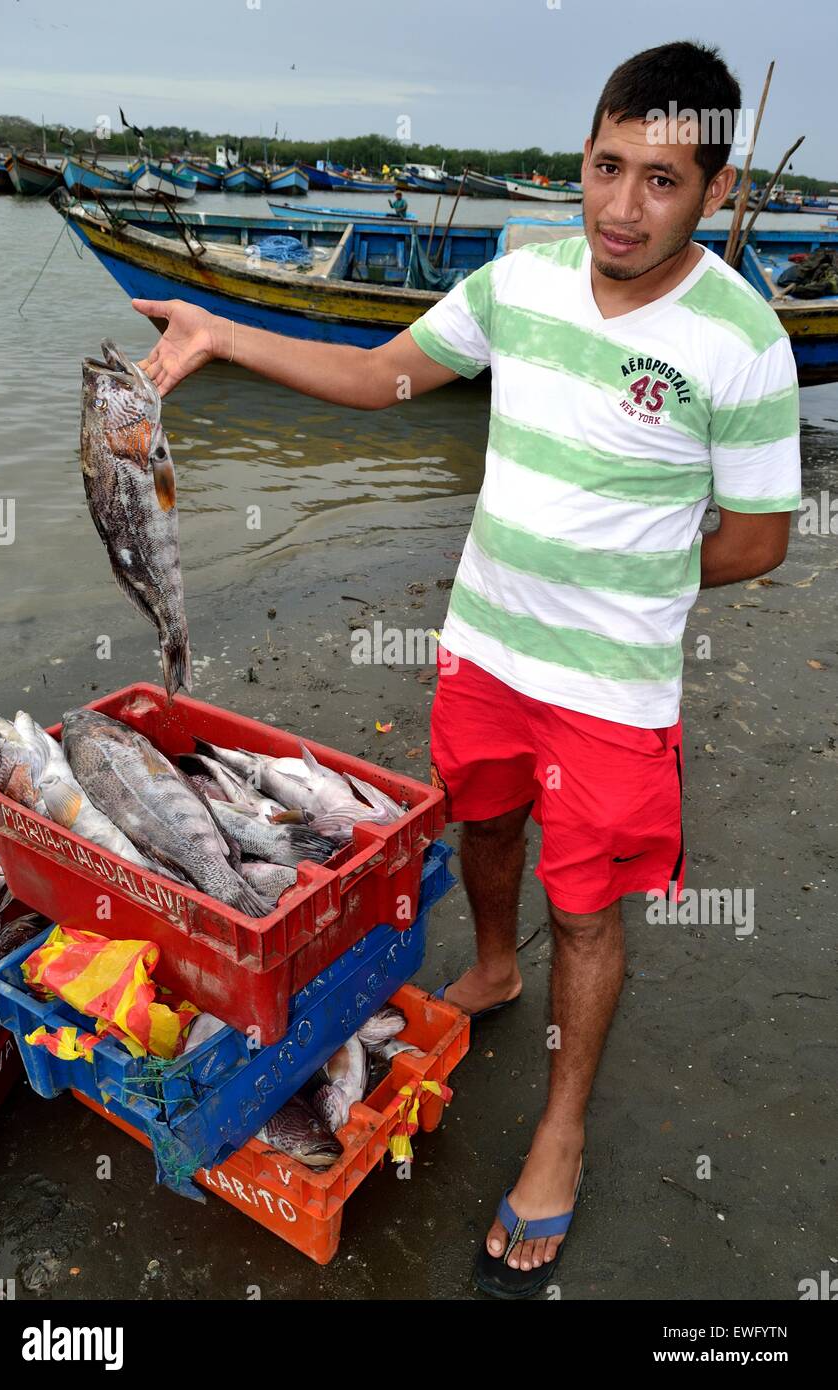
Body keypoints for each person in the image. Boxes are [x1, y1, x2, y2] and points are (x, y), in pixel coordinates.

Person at [132, 40, 801, 1299]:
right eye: (603, 167)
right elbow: (387, 378)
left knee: (590, 908)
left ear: (712, 191)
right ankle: (493, 963)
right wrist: (222, 334)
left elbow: (757, 541)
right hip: (485, 648)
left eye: (659, 181)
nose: (618, 206)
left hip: (610, 689)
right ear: (580, 157)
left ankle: (560, 1129)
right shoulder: (517, 281)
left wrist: (626, 571)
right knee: (484, 824)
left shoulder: (742, 341)